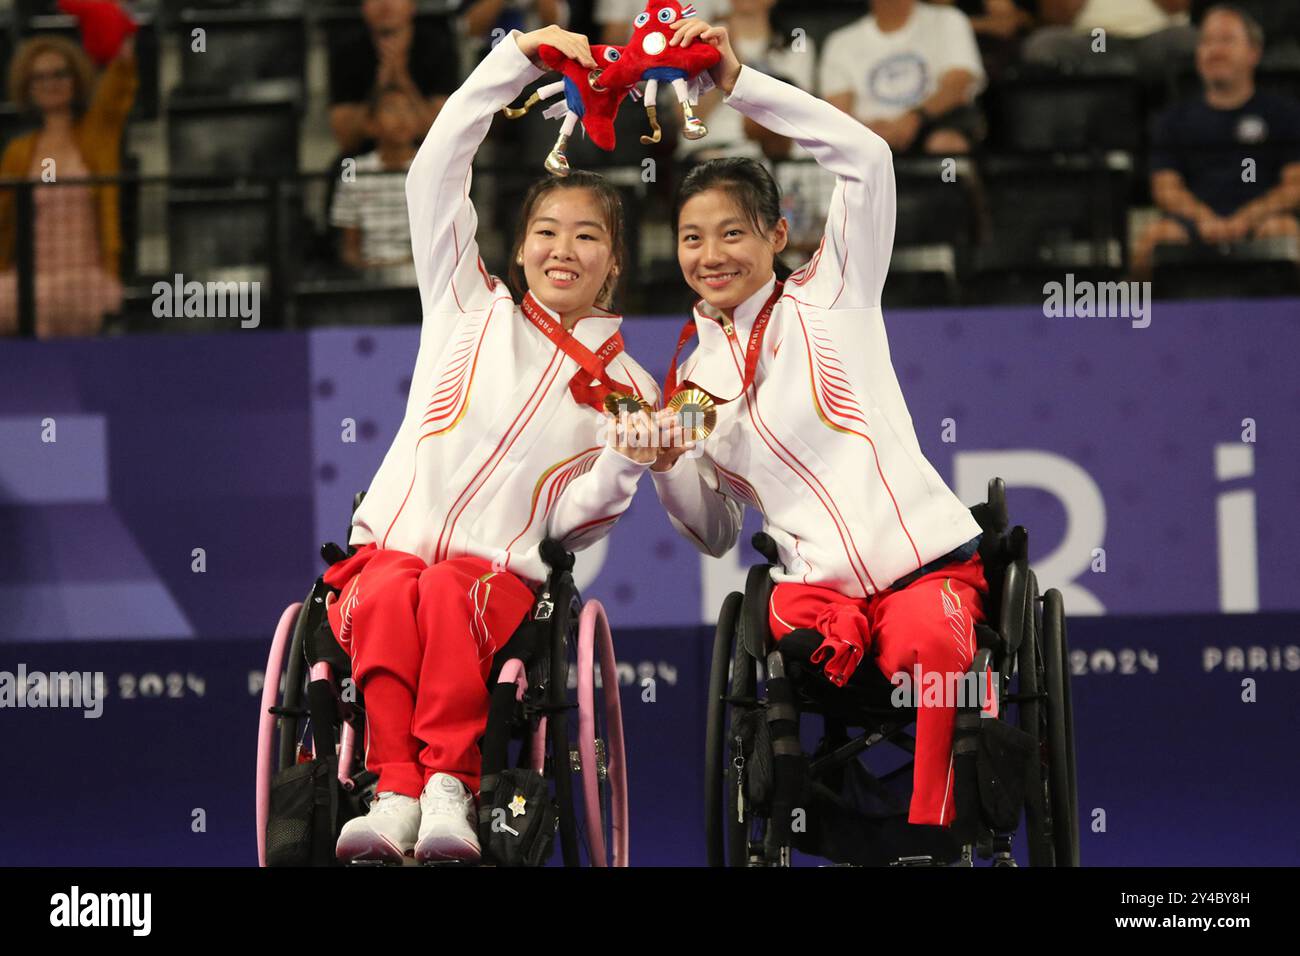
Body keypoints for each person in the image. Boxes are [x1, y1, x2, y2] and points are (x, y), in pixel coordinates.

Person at [325, 25, 661, 864]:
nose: (563, 250)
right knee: (399, 582)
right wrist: (515, 60)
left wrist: (622, 462)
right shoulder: (465, 306)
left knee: (443, 589)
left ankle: (448, 785)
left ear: (613, 264)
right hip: (388, 555)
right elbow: (436, 167)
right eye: (547, 232)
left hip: (500, 584)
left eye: (588, 237)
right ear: (518, 248)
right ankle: (394, 783)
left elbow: (577, 526)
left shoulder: (635, 388)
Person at [651, 18, 988, 830]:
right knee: (783, 628)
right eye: (693, 238)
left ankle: (929, 825)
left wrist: (740, 83)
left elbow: (868, 159)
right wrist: (663, 463)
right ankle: (809, 816)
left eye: (733, 232)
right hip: (816, 597)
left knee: (937, 655)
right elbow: (715, 532)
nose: (712, 254)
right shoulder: (690, 381)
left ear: (777, 234)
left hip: (922, 568)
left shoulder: (834, 288)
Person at [1133, 4, 1300, 277]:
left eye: (1226, 40)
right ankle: (1142, 320)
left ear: (1253, 52)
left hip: (1262, 221)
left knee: (1286, 233)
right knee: (1156, 238)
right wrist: (1204, 220)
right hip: (1194, 224)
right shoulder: (1173, 120)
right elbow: (1165, 188)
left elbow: (1295, 185)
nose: (1215, 51)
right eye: (1207, 42)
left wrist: (1245, 219)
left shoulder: (1284, 114)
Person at [0, 30, 136, 337]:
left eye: (60, 73)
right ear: (28, 87)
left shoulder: (95, 137)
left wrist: (116, 39)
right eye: (40, 77)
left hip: (84, 279)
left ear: (76, 80)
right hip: (28, 279)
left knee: (63, 301)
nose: (51, 83)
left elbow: (117, 89)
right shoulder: (18, 152)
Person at [819, 0, 987, 155]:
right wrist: (872, 132)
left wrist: (914, 118)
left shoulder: (948, 20)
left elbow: (957, 86)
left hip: (935, 124)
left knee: (945, 143)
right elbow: (838, 114)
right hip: (869, 138)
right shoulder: (841, 42)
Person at [328, 0, 457, 155]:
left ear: (412, 4)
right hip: (363, 160)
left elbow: (446, 133)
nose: (386, 5)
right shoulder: (346, 53)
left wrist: (405, 82)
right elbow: (346, 139)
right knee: (342, 170)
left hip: (430, 156)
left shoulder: (439, 48)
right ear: (363, 6)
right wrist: (378, 86)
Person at [329, 86, 422, 272]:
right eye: (390, 109)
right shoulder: (353, 169)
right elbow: (349, 247)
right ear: (371, 125)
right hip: (369, 277)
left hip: (423, 276)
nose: (401, 117)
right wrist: (366, 270)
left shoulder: (432, 167)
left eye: (408, 108)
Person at [1024, 0, 1197, 80]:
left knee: (1191, 41)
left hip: (1155, 35)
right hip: (1098, 38)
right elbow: (1056, 17)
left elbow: (1177, 6)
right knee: (1043, 45)